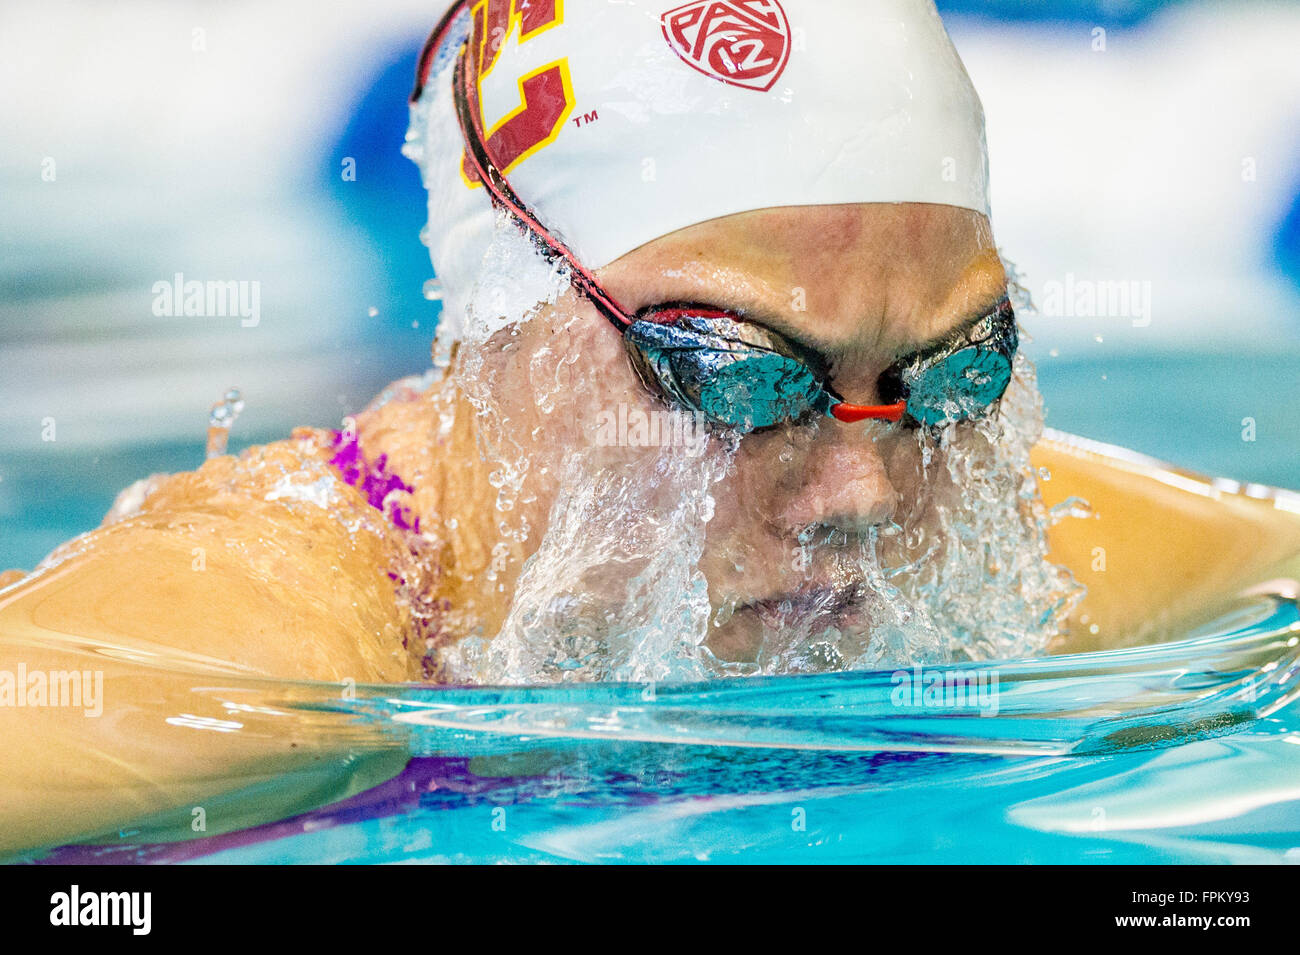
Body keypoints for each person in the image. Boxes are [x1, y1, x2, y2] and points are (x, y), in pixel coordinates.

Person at [0, 0, 1082, 850]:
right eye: (731, 373)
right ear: (497, 320)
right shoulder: (240, 667)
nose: (864, 494)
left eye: (950, 372)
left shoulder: (993, 557)